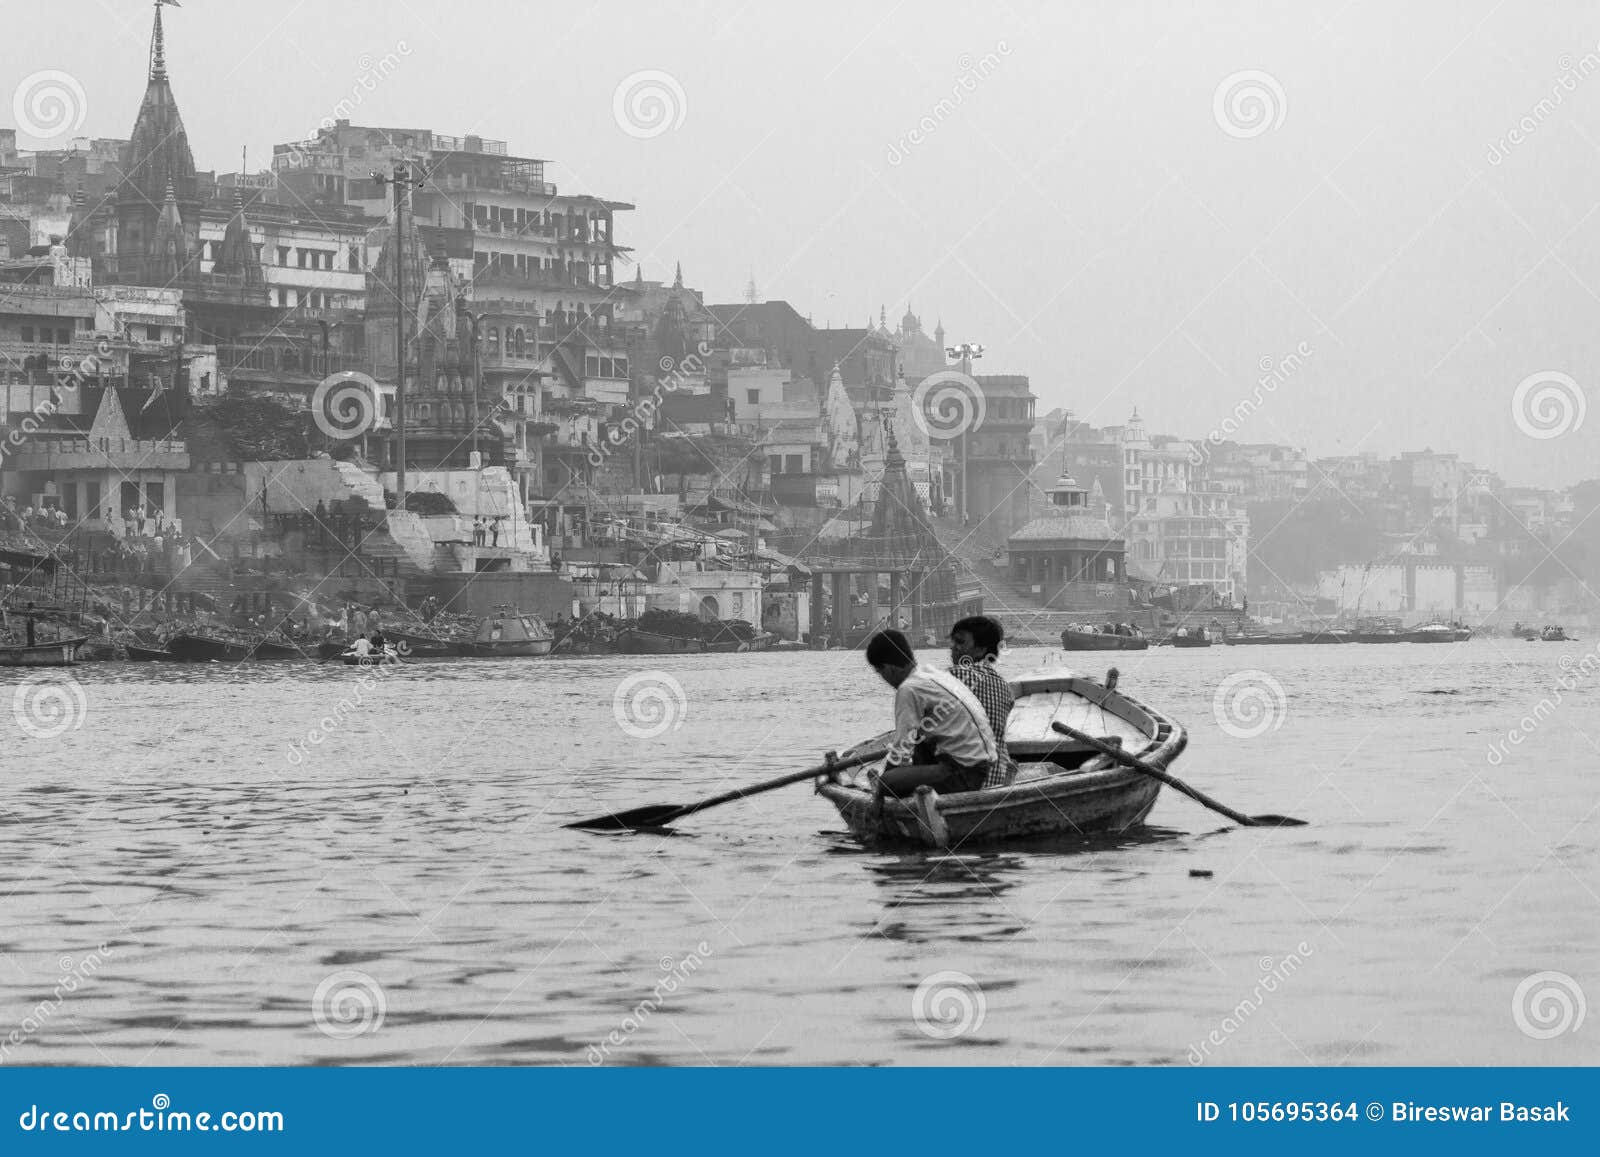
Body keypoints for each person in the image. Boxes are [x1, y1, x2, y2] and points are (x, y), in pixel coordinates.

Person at [857, 629, 998, 800]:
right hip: (985, 767)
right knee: (919, 741)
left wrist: (884, 784)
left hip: (964, 774)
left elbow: (900, 754)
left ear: (889, 669)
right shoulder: (931, 673)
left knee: (887, 782)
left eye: (881, 673)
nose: (884, 679)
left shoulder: (908, 689)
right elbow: (909, 742)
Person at [948, 615, 1016, 789]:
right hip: (999, 779)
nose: (952, 647)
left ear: (980, 650)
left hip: (964, 782)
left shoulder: (954, 675)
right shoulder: (1005, 686)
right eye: (953, 641)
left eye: (960, 642)